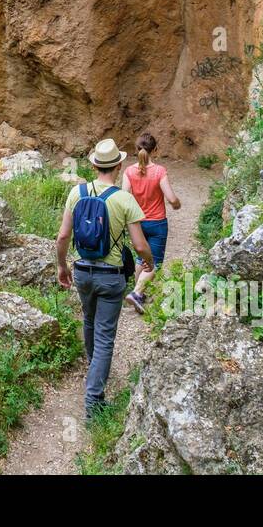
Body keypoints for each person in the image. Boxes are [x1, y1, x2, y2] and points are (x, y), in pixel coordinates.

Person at [56, 139, 155, 417]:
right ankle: (93, 401)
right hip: (111, 277)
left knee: (89, 319)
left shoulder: (77, 193)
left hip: (83, 272)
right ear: (119, 166)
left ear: (93, 165)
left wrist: (63, 267)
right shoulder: (124, 199)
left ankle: (94, 367)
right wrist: (148, 261)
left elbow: (63, 236)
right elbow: (139, 245)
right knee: (105, 337)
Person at [121, 132, 181, 314]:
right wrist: (177, 204)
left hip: (137, 222)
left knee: (141, 257)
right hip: (157, 223)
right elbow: (171, 198)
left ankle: (140, 294)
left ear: (136, 149)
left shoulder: (129, 172)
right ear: (155, 149)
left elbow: (124, 197)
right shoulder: (159, 171)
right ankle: (137, 292)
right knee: (155, 263)